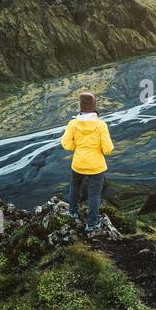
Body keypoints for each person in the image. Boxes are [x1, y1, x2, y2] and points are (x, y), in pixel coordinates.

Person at [61, 91, 114, 232]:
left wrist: (78, 148)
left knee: (75, 187)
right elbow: (108, 149)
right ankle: (91, 223)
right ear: (94, 105)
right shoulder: (101, 125)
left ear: (80, 106)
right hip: (96, 166)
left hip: (78, 163)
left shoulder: (72, 124)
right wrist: (98, 150)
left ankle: (72, 213)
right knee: (95, 194)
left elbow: (65, 144)